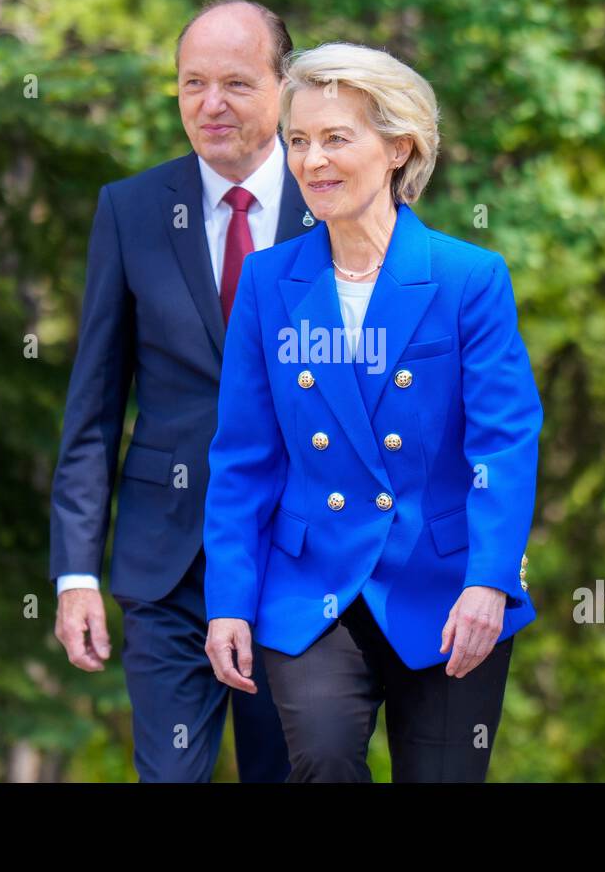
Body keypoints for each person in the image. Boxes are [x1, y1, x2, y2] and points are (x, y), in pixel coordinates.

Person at [203, 42, 542, 782]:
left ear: (398, 147)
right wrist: (228, 599)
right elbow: (243, 460)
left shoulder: (468, 279)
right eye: (297, 140)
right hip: (312, 583)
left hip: (448, 588)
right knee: (323, 762)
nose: (311, 160)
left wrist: (489, 580)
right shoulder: (267, 284)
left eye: (335, 138)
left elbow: (504, 445)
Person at [49, 0, 311, 782]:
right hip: (167, 562)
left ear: (285, 86)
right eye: (192, 83)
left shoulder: (335, 200)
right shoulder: (129, 210)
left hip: (296, 558)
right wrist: (75, 574)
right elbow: (92, 408)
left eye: (235, 82)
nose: (210, 104)